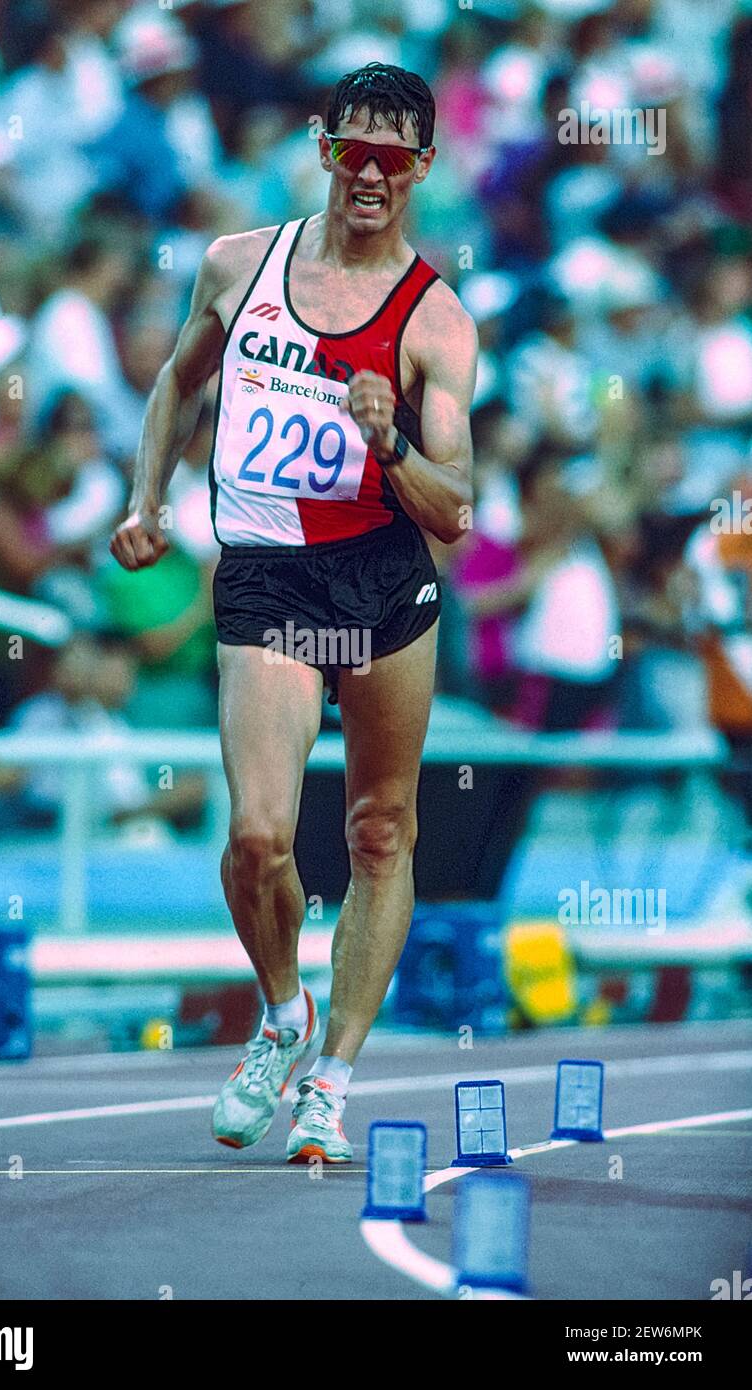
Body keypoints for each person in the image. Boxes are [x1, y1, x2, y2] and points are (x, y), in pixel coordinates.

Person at [110, 63, 477, 1164]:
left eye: (393, 158)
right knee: (261, 834)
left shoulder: (436, 323)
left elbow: (456, 508)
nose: (369, 175)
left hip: (379, 580)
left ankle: (336, 1080)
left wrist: (393, 440)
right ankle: (283, 1014)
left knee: (378, 829)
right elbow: (179, 382)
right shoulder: (238, 265)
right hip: (268, 571)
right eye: (351, 151)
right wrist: (147, 497)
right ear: (323, 147)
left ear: (422, 167)